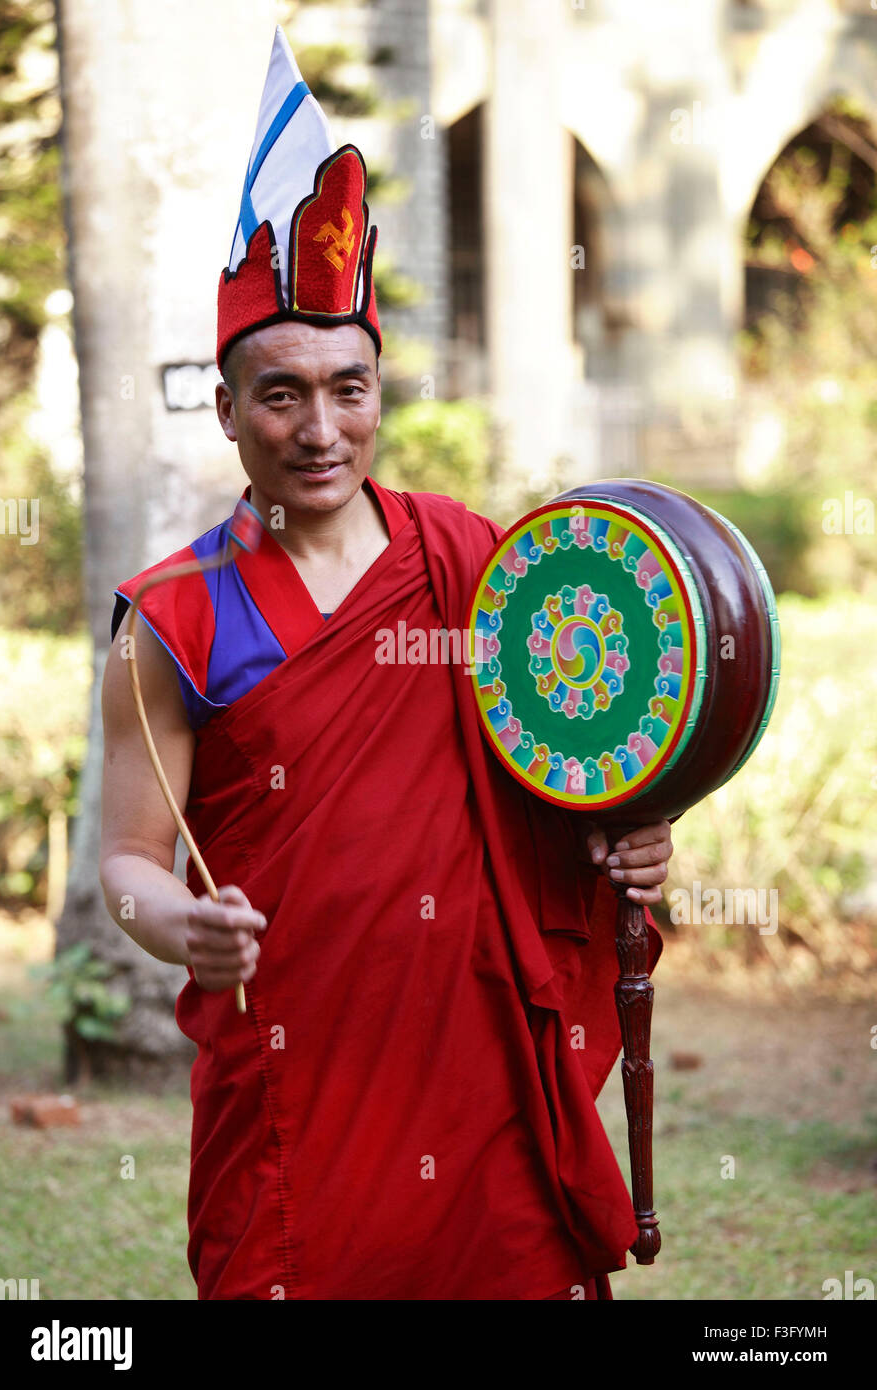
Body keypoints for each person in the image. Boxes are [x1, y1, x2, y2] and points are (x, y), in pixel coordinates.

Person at [99, 26, 672, 1301]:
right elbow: (126, 861)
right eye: (281, 394)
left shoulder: (476, 561)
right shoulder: (175, 615)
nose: (320, 429)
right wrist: (180, 925)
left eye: (348, 389)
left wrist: (630, 840)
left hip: (483, 1083)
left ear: (380, 391)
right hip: (292, 1083)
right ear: (228, 407)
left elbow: (580, 766)